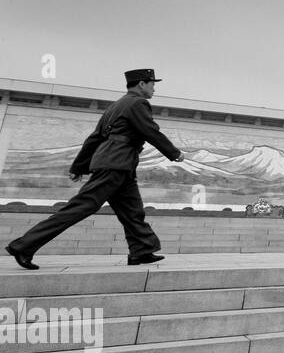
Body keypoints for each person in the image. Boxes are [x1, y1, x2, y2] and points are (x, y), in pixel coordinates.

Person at [6, 68, 184, 270]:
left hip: (118, 164)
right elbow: (150, 130)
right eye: (152, 84)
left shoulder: (115, 106)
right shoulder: (138, 103)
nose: (154, 89)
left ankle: (141, 251)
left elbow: (95, 138)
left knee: (132, 211)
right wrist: (174, 153)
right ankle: (24, 246)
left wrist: (79, 166)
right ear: (141, 84)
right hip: (115, 164)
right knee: (80, 207)